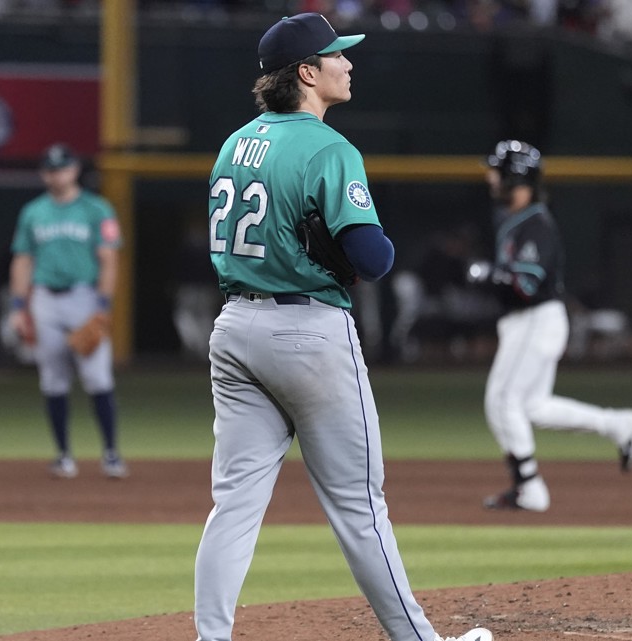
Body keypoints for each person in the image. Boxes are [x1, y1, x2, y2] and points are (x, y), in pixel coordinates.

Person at [194, 13, 493, 641]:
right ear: (307, 73)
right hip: (306, 333)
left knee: (235, 506)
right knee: (360, 506)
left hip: (235, 329)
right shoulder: (329, 148)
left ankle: (211, 638)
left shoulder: (234, 142)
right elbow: (373, 258)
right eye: (336, 55)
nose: (348, 63)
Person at [470, 139, 632, 512]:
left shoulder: (536, 225)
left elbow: (525, 286)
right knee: (531, 406)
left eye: (497, 172)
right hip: (529, 323)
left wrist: (488, 274)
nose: (490, 178)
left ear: (516, 179)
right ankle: (617, 424)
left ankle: (529, 486)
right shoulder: (517, 222)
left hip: (535, 320)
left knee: (502, 401)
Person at [8, 143, 128, 480]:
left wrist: (103, 305)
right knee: (52, 379)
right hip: (45, 298)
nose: (56, 174)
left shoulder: (97, 209)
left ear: (74, 170)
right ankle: (63, 456)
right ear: (43, 173)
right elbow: (22, 260)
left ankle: (111, 454)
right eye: (50, 168)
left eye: (62, 168)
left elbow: (109, 260)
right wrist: (19, 306)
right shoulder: (33, 212)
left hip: (84, 296)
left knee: (97, 377)